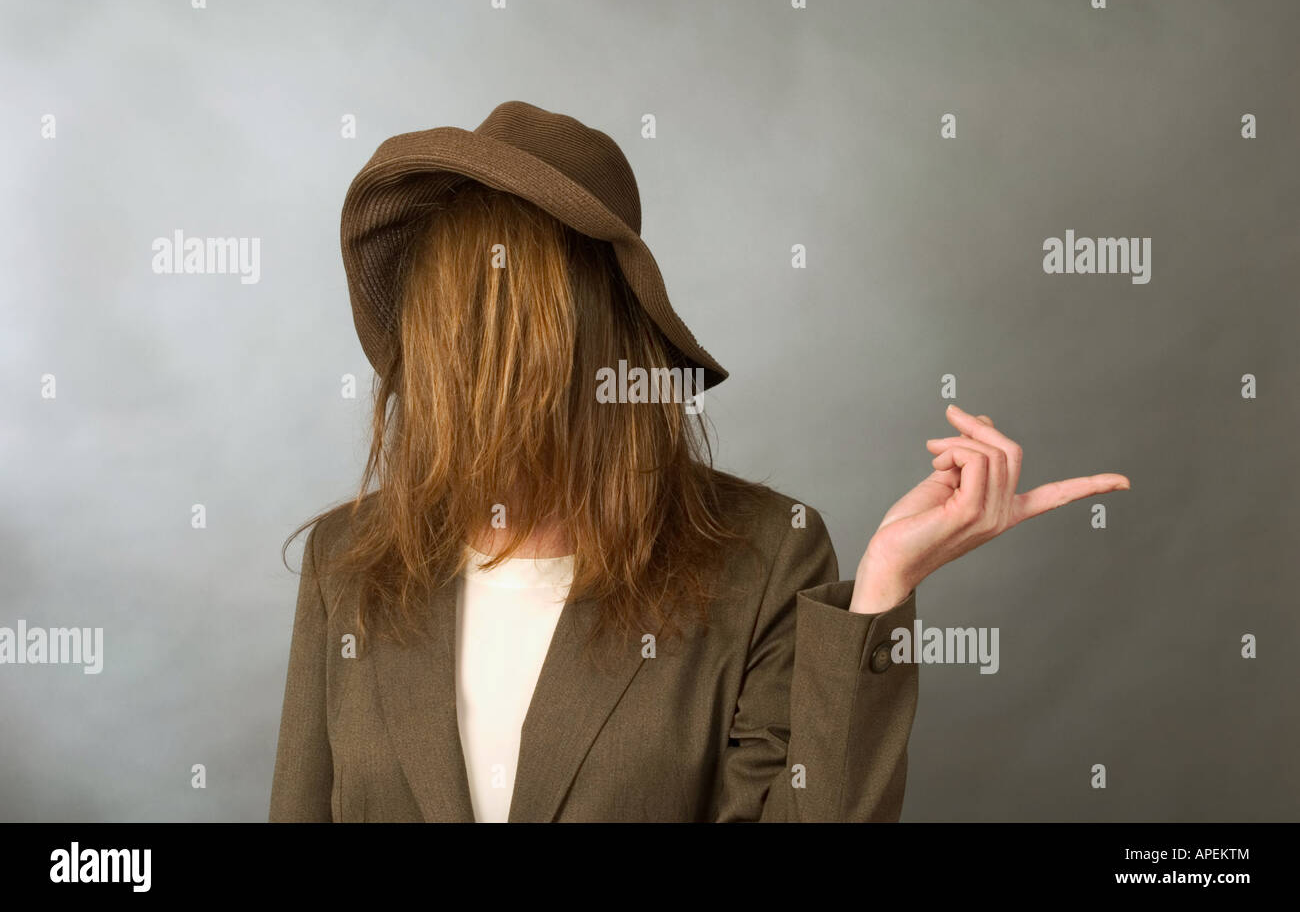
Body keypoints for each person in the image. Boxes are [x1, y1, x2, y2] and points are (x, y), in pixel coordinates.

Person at [269, 101, 1129, 822]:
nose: (457, 377)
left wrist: (879, 595)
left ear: (593, 345)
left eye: (496, 339)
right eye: (444, 333)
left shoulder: (764, 555)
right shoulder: (344, 564)